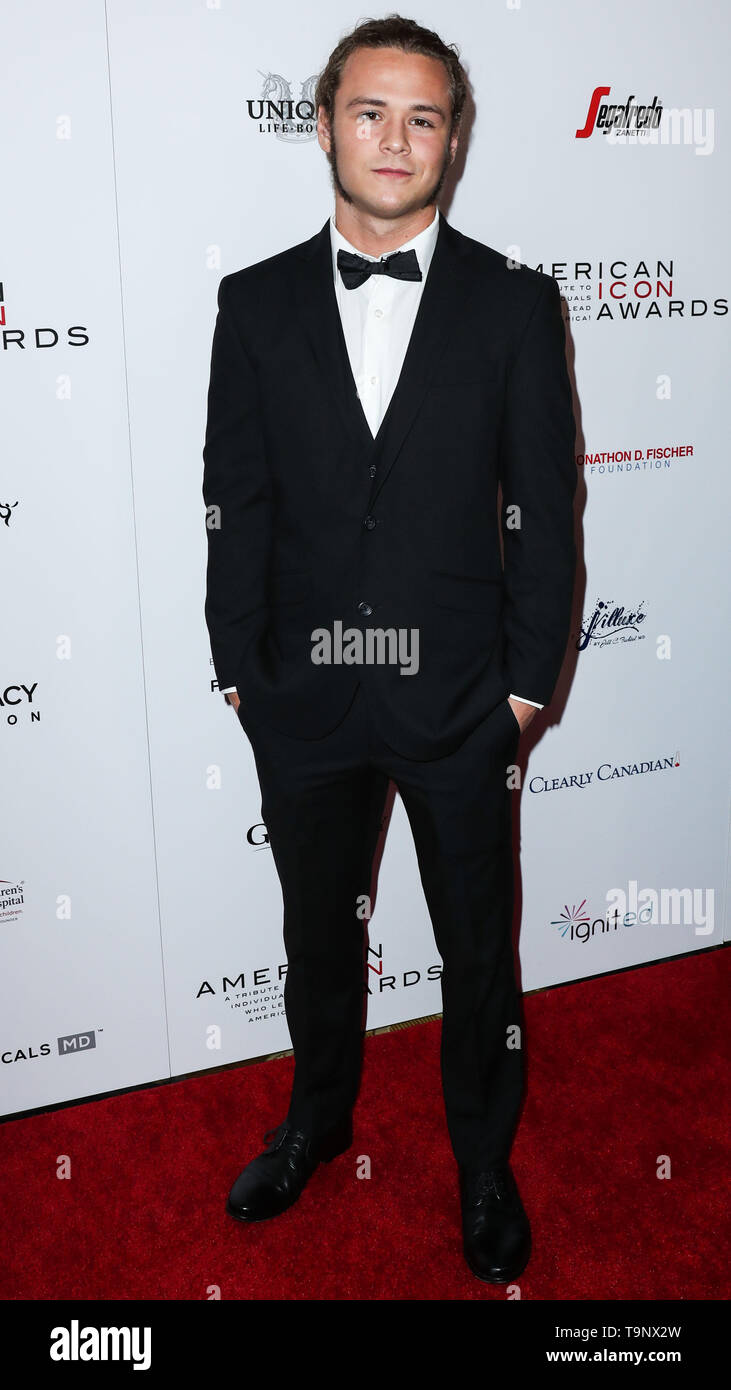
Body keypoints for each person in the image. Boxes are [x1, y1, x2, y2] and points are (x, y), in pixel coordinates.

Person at [202, 13, 576, 1284]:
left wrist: (526, 687)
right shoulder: (248, 305)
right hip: (301, 695)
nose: (395, 138)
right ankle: (316, 1117)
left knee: (477, 944)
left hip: (461, 700)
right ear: (324, 124)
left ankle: (483, 1158)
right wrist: (237, 665)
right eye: (371, 111)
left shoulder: (516, 306)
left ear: (453, 138)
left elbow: (544, 500)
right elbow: (235, 495)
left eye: (423, 116)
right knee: (317, 929)